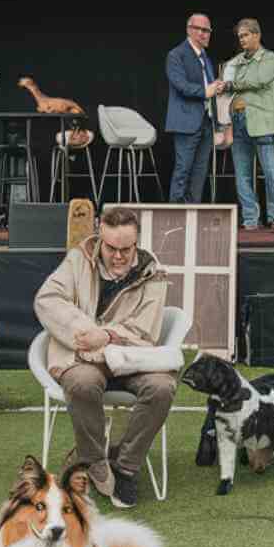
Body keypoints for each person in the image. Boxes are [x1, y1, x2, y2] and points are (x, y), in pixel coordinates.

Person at [34, 204, 178, 509]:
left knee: (163, 387)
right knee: (83, 384)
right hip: (81, 356)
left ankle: (125, 466)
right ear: (101, 237)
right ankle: (97, 462)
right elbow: (47, 299)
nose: (118, 256)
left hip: (131, 357)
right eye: (111, 248)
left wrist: (107, 336)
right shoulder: (77, 259)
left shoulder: (154, 272)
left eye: (126, 249)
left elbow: (146, 331)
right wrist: (85, 329)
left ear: (136, 243)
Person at [224, 18, 274, 231]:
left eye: (245, 35)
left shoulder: (270, 58)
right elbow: (225, 77)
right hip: (239, 119)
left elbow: (260, 80)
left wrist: (232, 84)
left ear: (257, 35)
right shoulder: (238, 61)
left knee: (270, 171)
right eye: (239, 36)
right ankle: (250, 219)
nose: (241, 39)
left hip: (261, 120)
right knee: (242, 173)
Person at [166, 12, 224, 203]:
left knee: (200, 172)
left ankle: (193, 213)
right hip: (186, 121)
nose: (203, 34)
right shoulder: (176, 55)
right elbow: (180, 85)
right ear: (189, 30)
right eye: (199, 29)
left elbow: (208, 89)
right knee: (183, 169)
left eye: (207, 30)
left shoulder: (205, 57)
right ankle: (175, 215)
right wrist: (205, 91)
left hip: (206, 121)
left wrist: (216, 87)